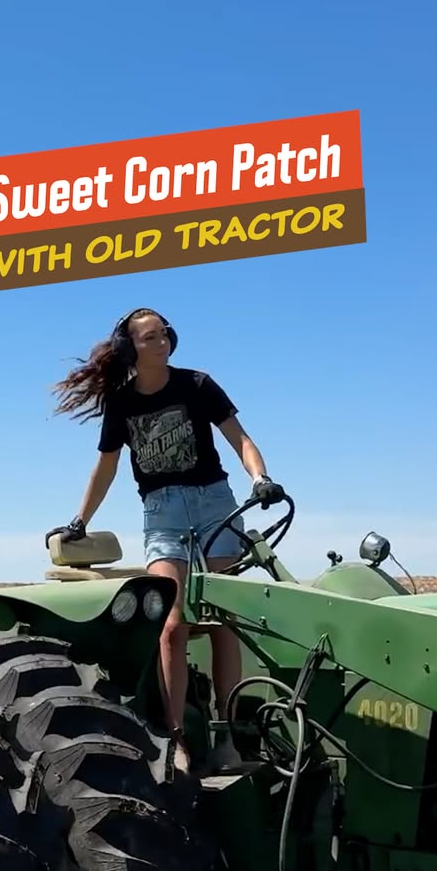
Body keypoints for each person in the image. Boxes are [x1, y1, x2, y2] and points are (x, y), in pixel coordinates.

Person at [45, 307, 286, 772]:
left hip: (215, 503)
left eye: (165, 335)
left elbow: (240, 439)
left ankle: (229, 739)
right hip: (162, 512)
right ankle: (177, 742)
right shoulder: (122, 402)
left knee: (222, 624)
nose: (162, 343)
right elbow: (108, 466)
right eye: (150, 337)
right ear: (130, 348)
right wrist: (79, 520)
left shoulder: (197, 385)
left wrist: (261, 478)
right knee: (171, 624)